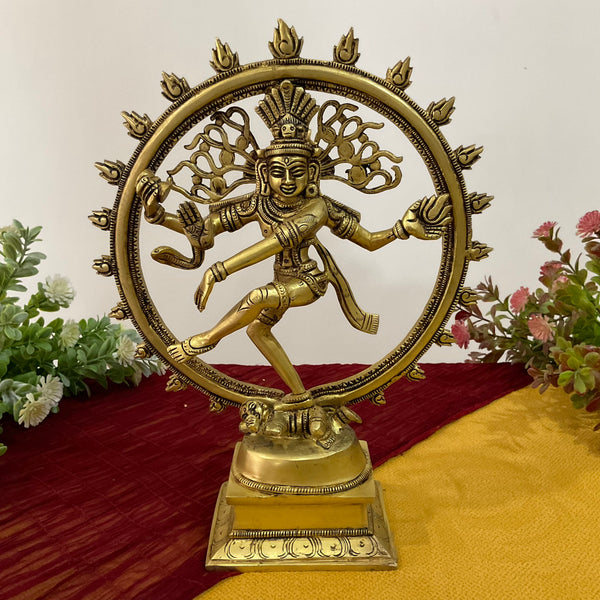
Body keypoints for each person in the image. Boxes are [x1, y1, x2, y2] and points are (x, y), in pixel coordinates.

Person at [136, 80, 450, 403]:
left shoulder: (317, 208)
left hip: (309, 281)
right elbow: (205, 231)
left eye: (296, 172)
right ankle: (300, 396)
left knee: (257, 297)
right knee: (257, 330)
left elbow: (363, 240)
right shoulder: (259, 204)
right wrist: (157, 214)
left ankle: (205, 340)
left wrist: (401, 228)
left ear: (312, 172)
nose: (287, 181)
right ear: (263, 174)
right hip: (282, 281)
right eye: (278, 172)